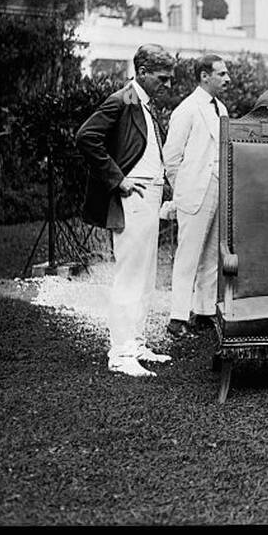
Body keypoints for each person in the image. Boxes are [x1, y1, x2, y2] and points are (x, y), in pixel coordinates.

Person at [75, 44, 176, 377]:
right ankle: (119, 354)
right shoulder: (123, 99)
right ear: (142, 71)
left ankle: (135, 344)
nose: (168, 84)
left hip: (148, 199)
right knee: (130, 276)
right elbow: (87, 136)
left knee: (146, 276)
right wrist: (118, 181)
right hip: (130, 200)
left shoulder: (145, 105)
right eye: (163, 77)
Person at [162, 53, 231, 339]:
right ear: (205, 76)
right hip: (195, 191)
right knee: (188, 253)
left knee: (212, 253)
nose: (227, 79)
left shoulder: (222, 109)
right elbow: (172, 157)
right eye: (222, 74)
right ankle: (177, 316)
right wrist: (184, 189)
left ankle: (203, 311)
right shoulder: (187, 109)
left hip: (219, 187)